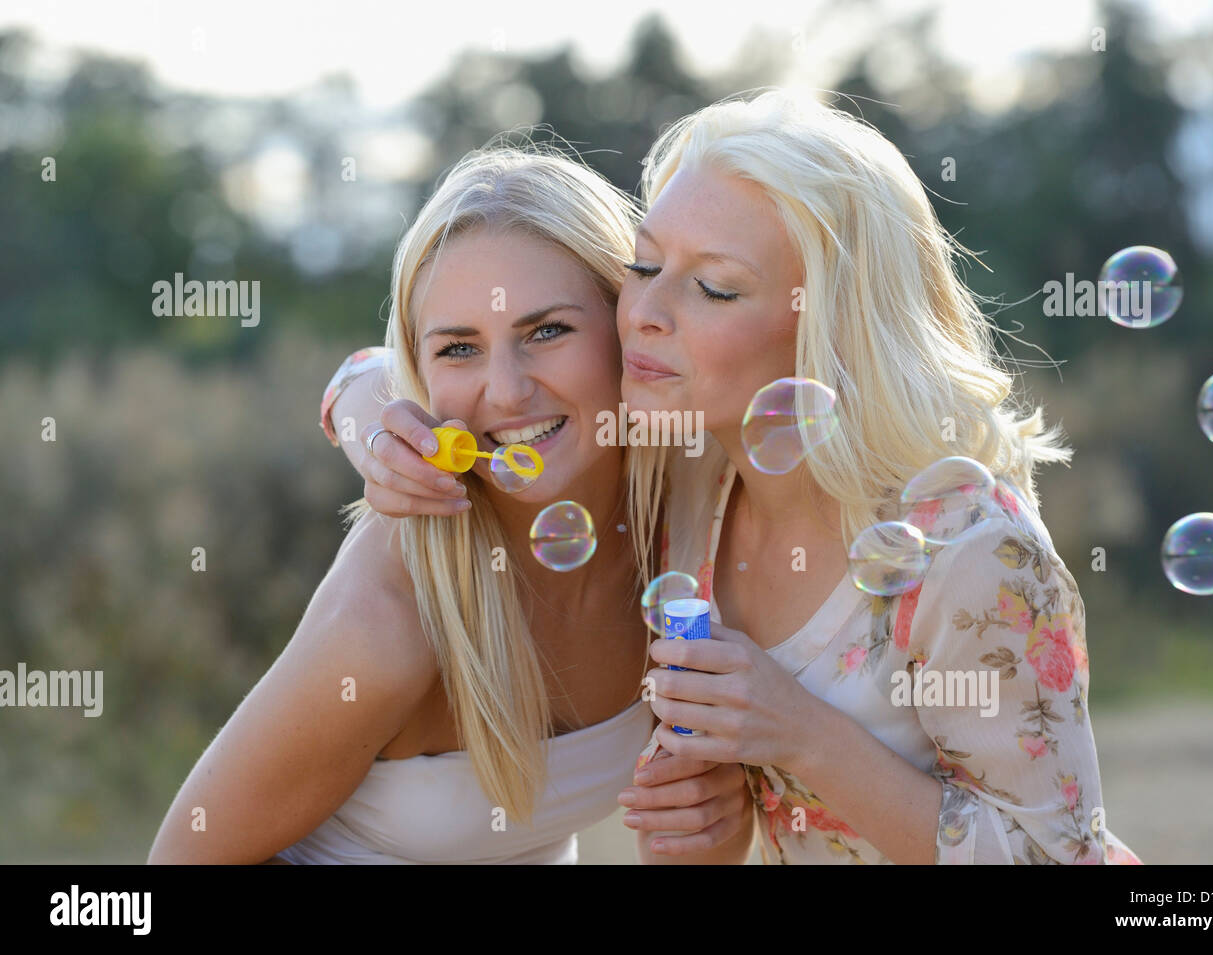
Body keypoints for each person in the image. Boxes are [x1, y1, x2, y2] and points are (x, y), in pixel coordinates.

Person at [351, 89, 1143, 864]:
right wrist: (380, 437)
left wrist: (799, 732)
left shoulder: (970, 552)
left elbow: (1054, 857)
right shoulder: (692, 480)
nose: (643, 312)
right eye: (646, 265)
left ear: (831, 325)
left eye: (714, 287)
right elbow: (390, 370)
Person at [147, 142, 752, 865]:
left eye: (547, 331)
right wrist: (362, 407)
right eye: (459, 349)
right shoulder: (387, 623)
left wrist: (717, 823)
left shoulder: (690, 535)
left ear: (627, 324)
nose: (507, 391)